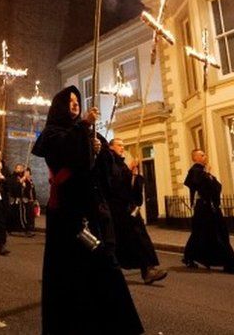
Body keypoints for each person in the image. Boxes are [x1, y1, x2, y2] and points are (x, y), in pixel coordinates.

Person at [32, 85, 143, 335]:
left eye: (77, 100)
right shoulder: (53, 133)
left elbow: (110, 173)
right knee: (71, 272)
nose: (75, 103)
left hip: (95, 209)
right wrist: (83, 130)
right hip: (69, 212)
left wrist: (100, 152)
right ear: (60, 105)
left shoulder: (91, 132)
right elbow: (65, 154)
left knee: (106, 266)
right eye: (70, 101)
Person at [107, 138, 167, 284]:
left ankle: (148, 270)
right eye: (119, 145)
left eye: (123, 145)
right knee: (122, 243)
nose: (122, 148)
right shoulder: (110, 164)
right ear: (110, 147)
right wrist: (130, 176)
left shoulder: (123, 166)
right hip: (118, 211)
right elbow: (115, 186)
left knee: (140, 240)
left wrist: (135, 175)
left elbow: (133, 193)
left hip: (130, 211)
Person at [182, 149, 234, 274]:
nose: (205, 157)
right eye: (202, 155)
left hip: (210, 207)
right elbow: (201, 186)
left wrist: (208, 176)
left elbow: (216, 187)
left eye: (205, 155)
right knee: (217, 234)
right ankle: (229, 264)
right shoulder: (195, 171)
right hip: (204, 208)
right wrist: (207, 175)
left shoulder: (203, 171)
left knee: (201, 234)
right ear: (195, 158)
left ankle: (189, 256)